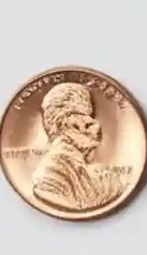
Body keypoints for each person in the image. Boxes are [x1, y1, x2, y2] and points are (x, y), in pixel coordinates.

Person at [31, 83, 125, 212]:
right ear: (67, 124)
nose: (96, 127)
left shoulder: (91, 173)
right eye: (86, 119)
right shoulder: (50, 176)